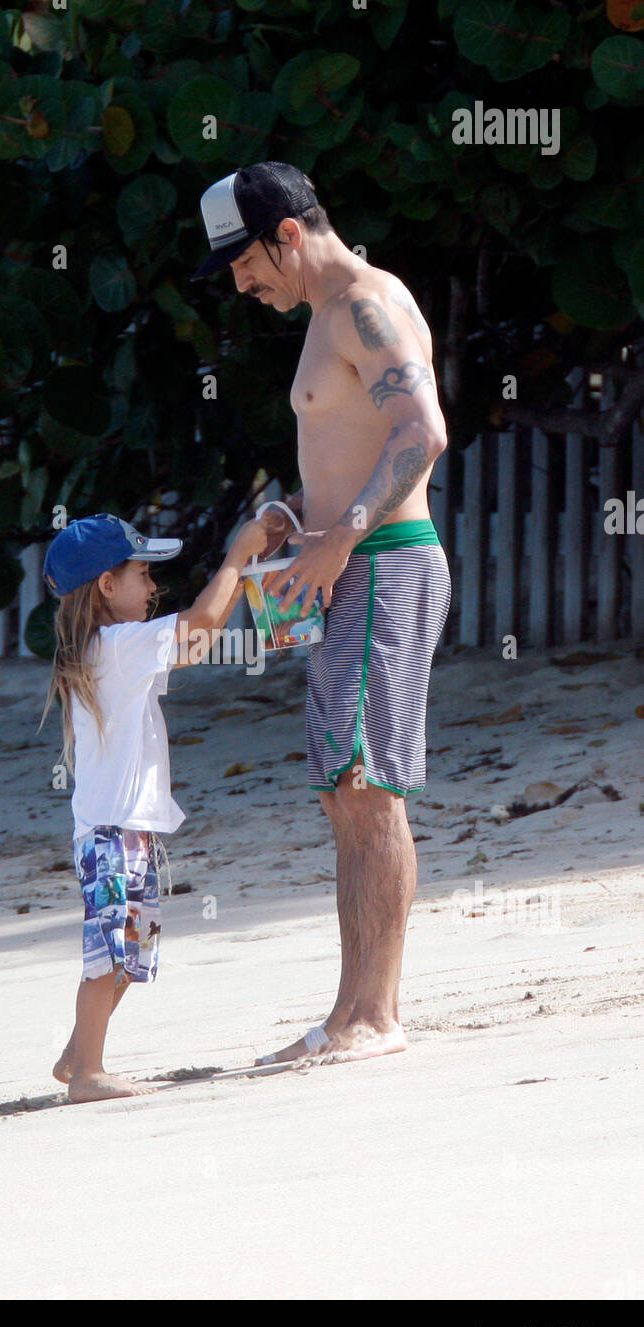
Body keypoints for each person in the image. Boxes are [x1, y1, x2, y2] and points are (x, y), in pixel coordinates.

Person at [191, 162, 451, 1067]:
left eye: (245, 262)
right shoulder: (330, 318)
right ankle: (349, 1013)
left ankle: (374, 1019)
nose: (240, 282)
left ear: (287, 235)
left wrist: (338, 535)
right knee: (346, 791)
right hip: (355, 563)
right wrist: (298, 524)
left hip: (384, 563)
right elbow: (362, 446)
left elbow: (423, 432)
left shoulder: (365, 305)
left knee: (366, 787)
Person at [39, 511, 270, 1102]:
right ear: (107, 587)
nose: (152, 587)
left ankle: (77, 1051)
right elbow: (197, 630)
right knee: (107, 954)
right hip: (112, 831)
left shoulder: (112, 647)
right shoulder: (113, 645)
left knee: (128, 953)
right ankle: (88, 1073)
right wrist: (237, 558)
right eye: (143, 575)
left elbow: (192, 639)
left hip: (129, 829)